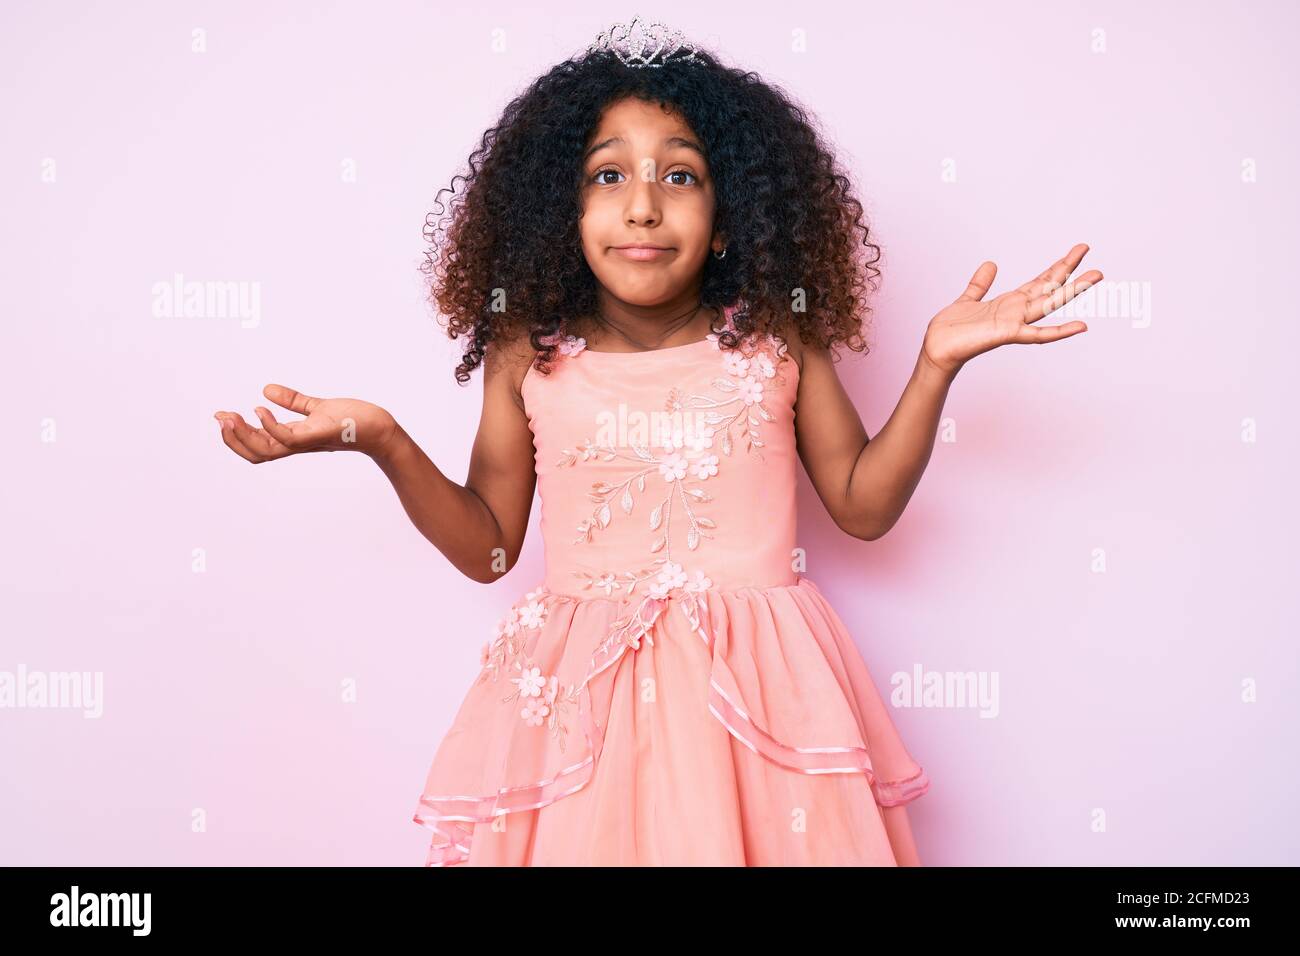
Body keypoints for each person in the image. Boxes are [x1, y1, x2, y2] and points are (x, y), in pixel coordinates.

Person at [213, 18, 1100, 866]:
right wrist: (383, 438)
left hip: (762, 712)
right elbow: (490, 552)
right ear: (562, 213)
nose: (642, 206)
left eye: (679, 177)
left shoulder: (775, 340)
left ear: (727, 219)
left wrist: (935, 364)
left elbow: (863, 508)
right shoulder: (529, 349)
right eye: (607, 176)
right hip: (578, 715)